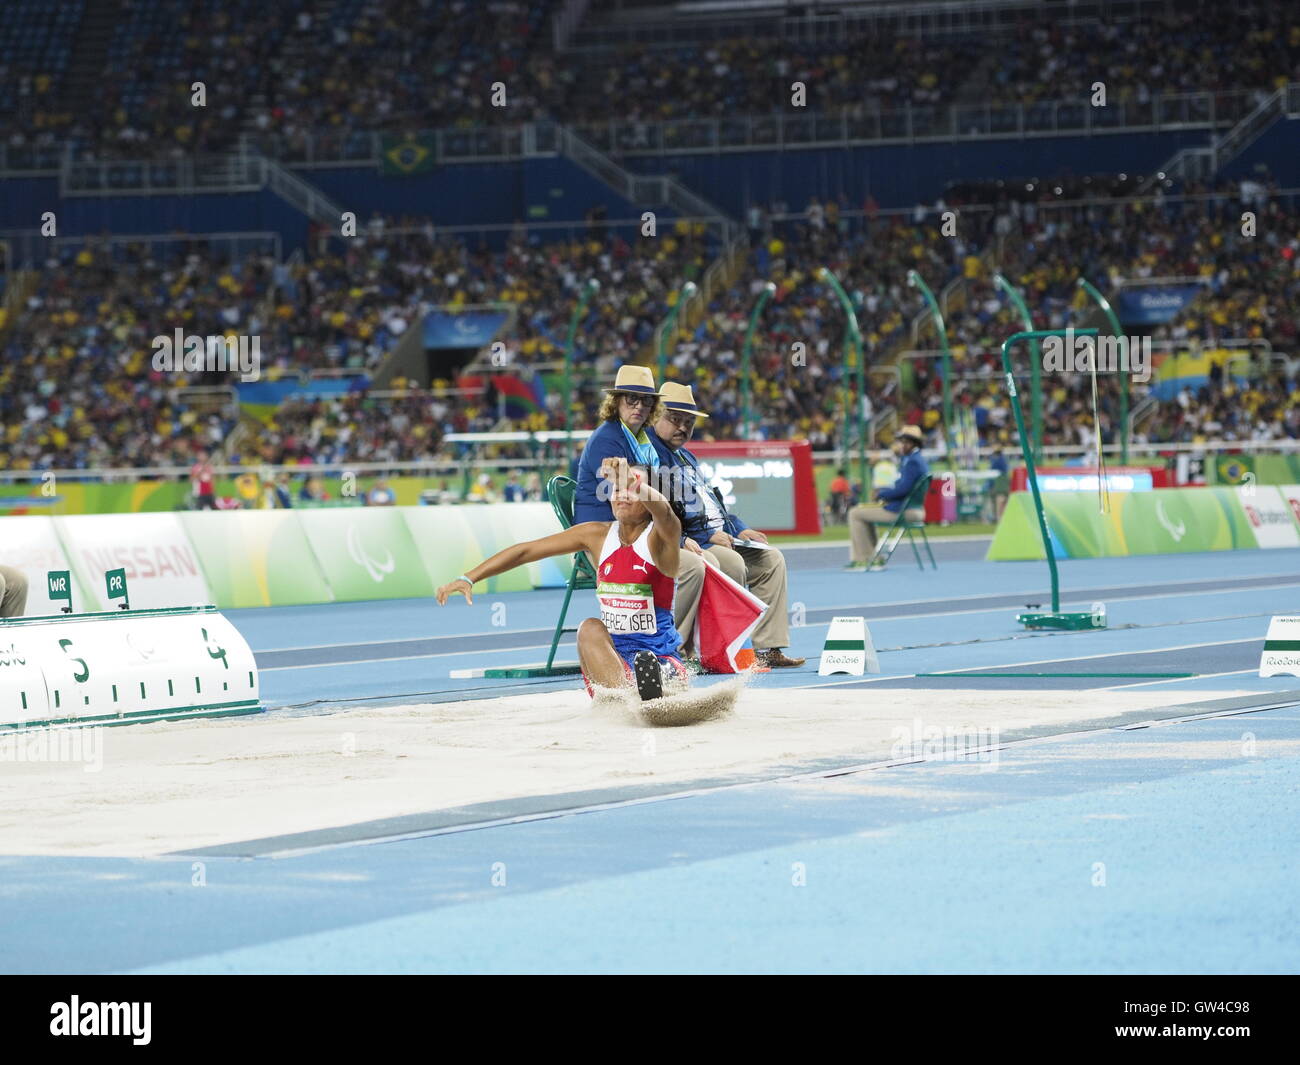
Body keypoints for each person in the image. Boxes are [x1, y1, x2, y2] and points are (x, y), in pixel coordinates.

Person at [437, 458, 687, 702]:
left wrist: (634, 483)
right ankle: (629, 699)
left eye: (631, 489)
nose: (622, 494)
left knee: (651, 667)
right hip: (611, 661)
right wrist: (469, 577)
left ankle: (651, 684)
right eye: (618, 488)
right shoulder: (596, 535)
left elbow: (664, 512)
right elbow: (526, 551)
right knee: (588, 628)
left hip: (659, 657)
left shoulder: (661, 539)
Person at [650, 383, 805, 669]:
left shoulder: (687, 456)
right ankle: (724, 651)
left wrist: (738, 529)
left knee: (771, 559)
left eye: (689, 422)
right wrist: (697, 537)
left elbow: (714, 506)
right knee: (732, 562)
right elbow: (658, 513)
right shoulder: (650, 455)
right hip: (695, 542)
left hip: (717, 537)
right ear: (654, 416)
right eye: (675, 419)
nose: (683, 427)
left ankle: (766, 647)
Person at [574, 365, 665, 523]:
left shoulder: (643, 440)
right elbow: (624, 501)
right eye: (631, 398)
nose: (640, 405)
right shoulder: (606, 440)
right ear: (616, 401)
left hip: (628, 526)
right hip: (604, 528)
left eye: (647, 400)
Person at [848, 424, 930, 567]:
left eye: (903, 442)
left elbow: (903, 489)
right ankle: (872, 557)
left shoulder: (913, 462)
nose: (900, 445)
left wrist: (882, 494)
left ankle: (863, 559)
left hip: (905, 511)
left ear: (911, 443)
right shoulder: (917, 460)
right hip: (913, 509)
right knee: (865, 513)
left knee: (854, 513)